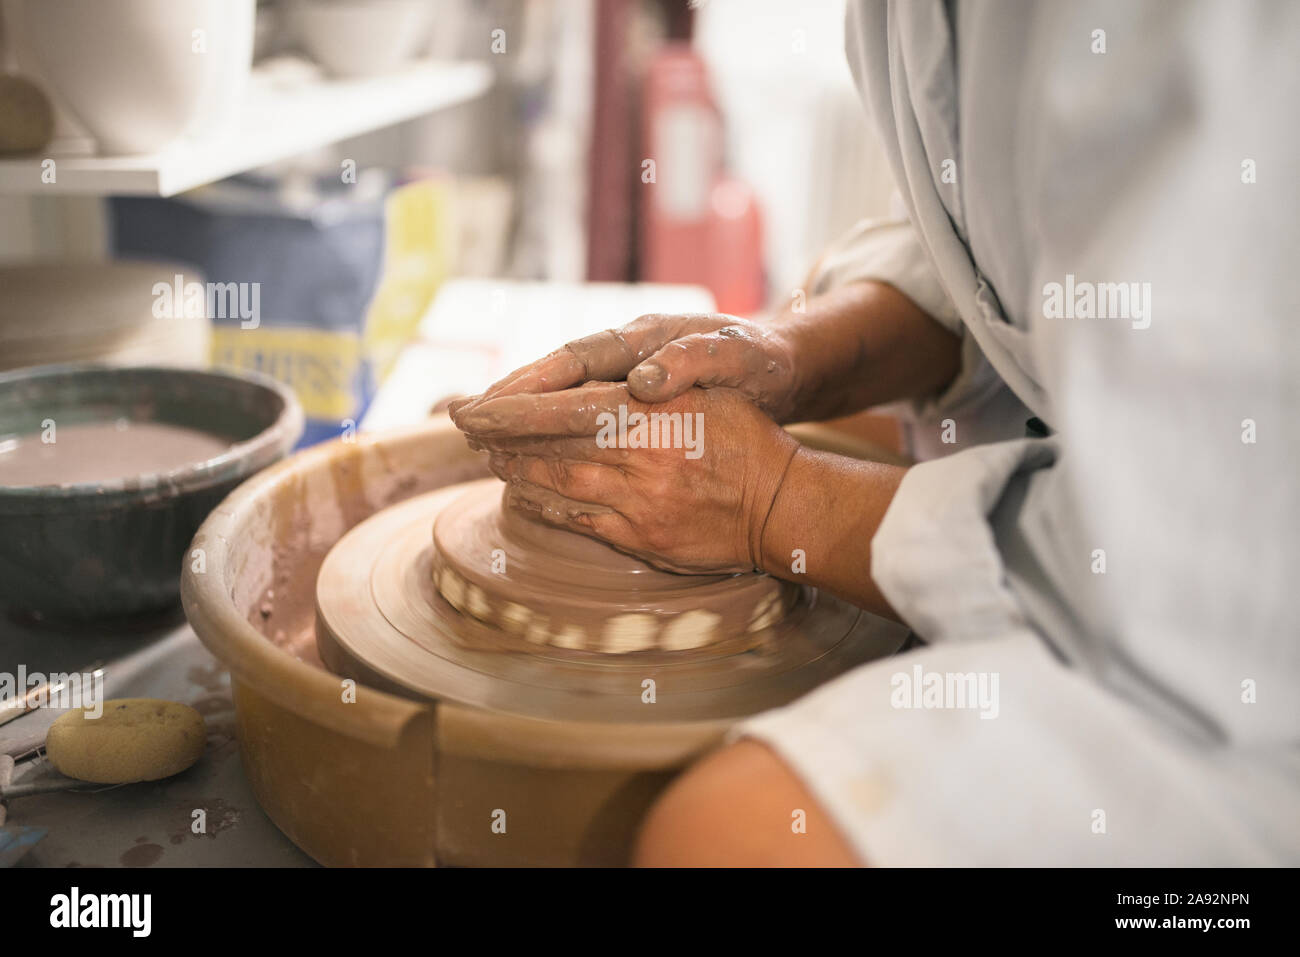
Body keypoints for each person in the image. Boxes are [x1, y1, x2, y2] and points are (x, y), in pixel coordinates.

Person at [450, 0, 1300, 865]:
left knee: (725, 840)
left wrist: (773, 502)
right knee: (837, 367)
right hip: (1149, 491)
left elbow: (1194, 566)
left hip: (1245, 666)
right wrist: (792, 355)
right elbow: (988, 249)